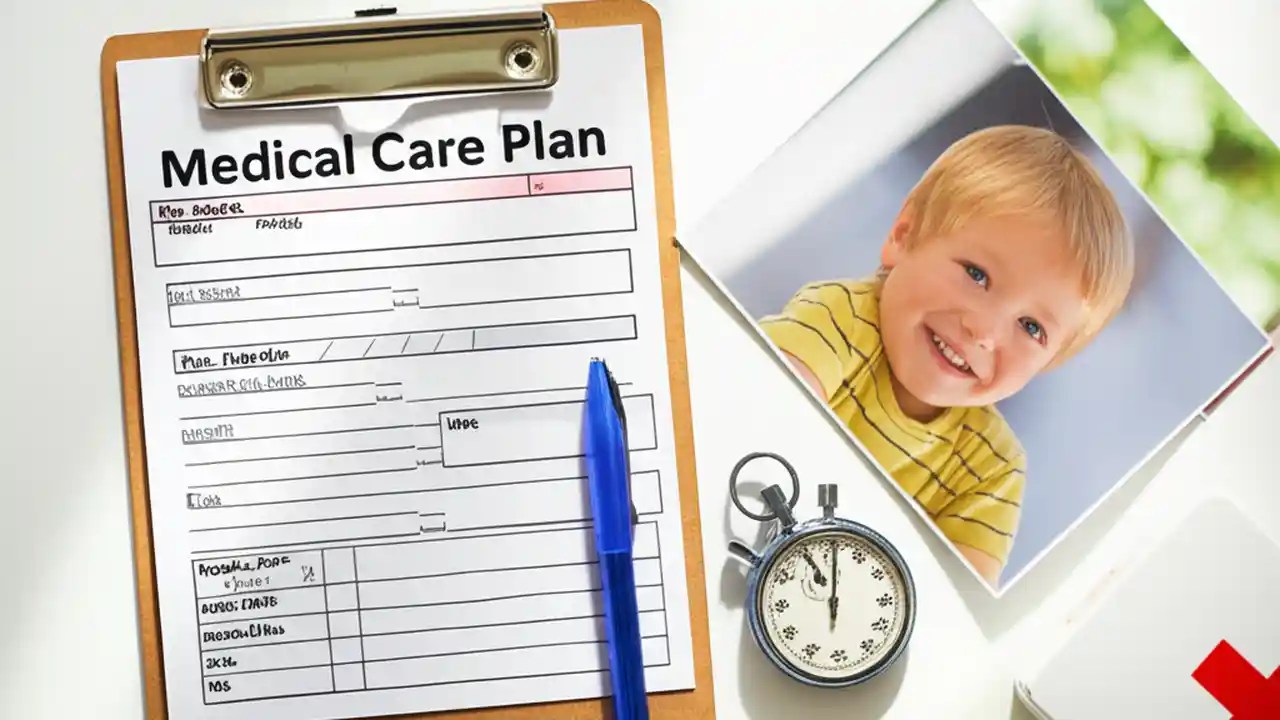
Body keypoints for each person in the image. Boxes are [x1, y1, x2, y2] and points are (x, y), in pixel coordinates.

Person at [760, 125, 1134, 587]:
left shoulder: (992, 469)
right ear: (904, 234)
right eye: (977, 275)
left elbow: (952, 605)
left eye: (1031, 327)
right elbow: (761, 411)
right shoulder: (838, 318)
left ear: (1048, 364)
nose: (985, 331)